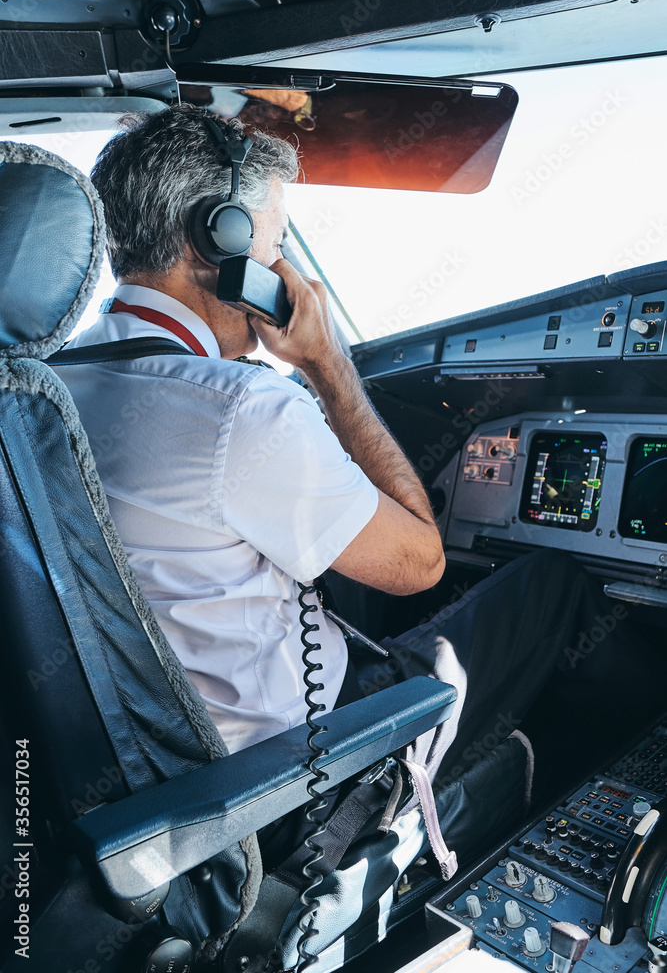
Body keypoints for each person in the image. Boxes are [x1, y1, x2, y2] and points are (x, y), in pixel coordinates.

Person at [57, 104, 665, 811]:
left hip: (152, 764)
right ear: (214, 238)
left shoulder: (50, 391)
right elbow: (420, 565)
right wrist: (327, 364)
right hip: (306, 769)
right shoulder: (239, 407)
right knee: (551, 585)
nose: (284, 270)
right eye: (274, 244)